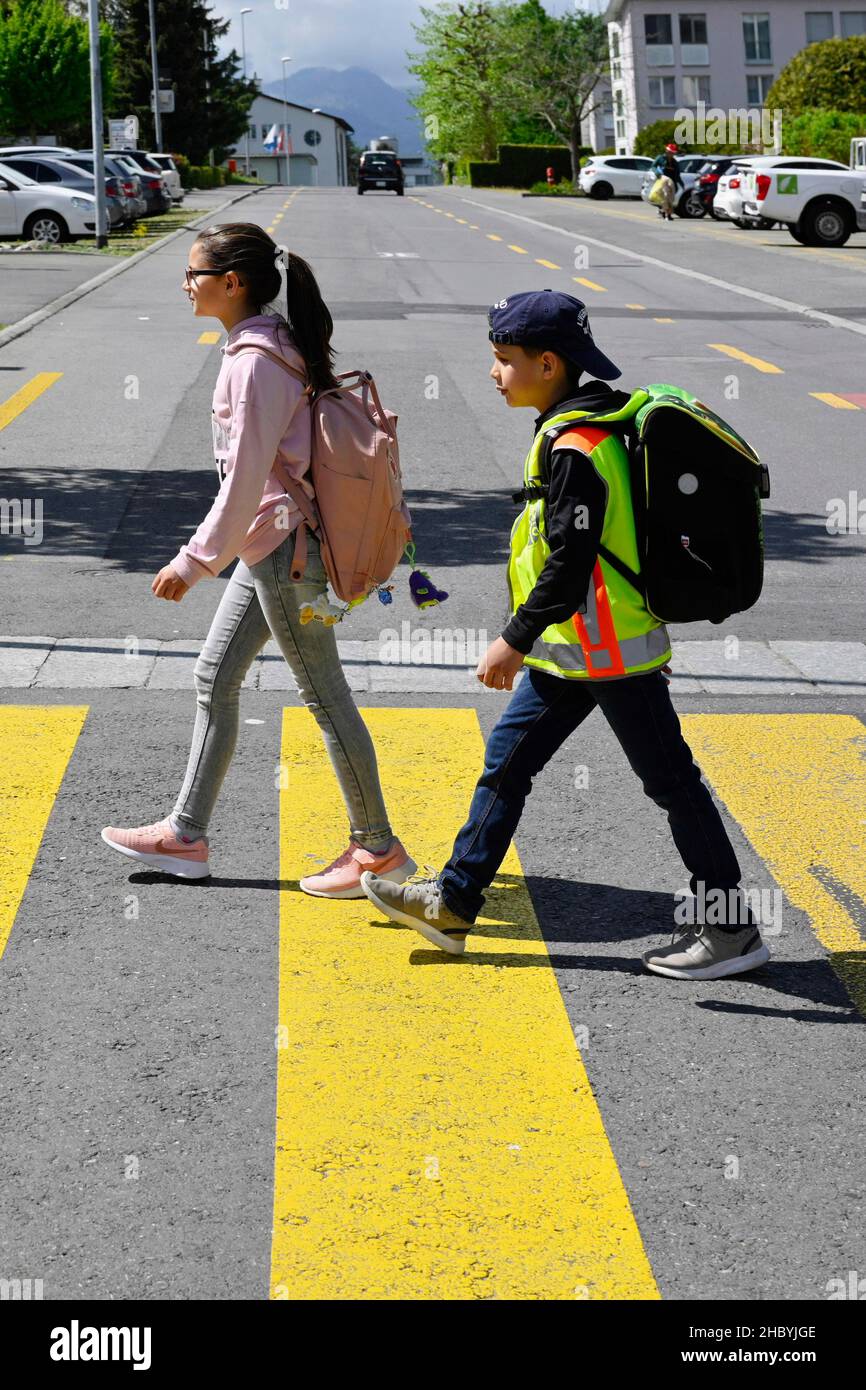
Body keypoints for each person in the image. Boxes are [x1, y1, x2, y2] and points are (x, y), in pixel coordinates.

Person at [361, 290, 771, 981]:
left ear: (547, 364)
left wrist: (513, 638)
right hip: (575, 653)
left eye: (503, 360)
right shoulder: (580, 425)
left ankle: (732, 931)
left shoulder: (576, 445)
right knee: (508, 764)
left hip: (607, 655)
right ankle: (454, 903)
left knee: (672, 784)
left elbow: (571, 558)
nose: (494, 373)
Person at [101, 222, 416, 898]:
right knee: (215, 678)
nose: (186, 284)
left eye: (195, 273)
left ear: (232, 282)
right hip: (271, 543)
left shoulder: (254, 361)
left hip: (281, 549)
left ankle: (378, 849)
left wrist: (193, 561)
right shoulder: (270, 343)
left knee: (325, 697)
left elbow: (246, 477)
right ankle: (186, 835)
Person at [651, 142, 683, 221]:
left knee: (671, 199)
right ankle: (667, 214)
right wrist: (657, 173)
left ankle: (665, 212)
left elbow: (677, 174)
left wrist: (681, 183)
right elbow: (653, 166)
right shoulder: (660, 158)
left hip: (672, 182)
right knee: (665, 196)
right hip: (663, 180)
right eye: (670, 152)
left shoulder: (675, 162)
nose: (671, 154)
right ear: (667, 151)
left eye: (673, 153)